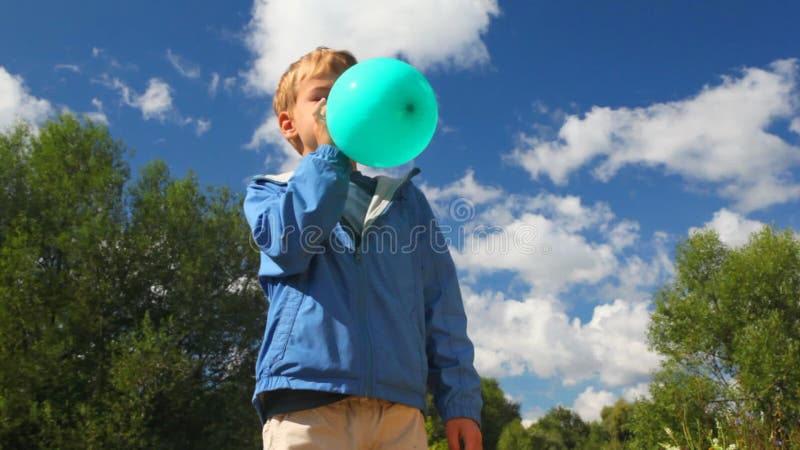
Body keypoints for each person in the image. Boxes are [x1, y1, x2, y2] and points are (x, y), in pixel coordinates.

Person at [243, 47, 483, 450]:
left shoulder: (406, 202)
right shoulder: (270, 192)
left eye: (347, 93)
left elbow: (441, 305)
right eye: (322, 96)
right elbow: (289, 245)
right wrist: (328, 156)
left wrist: (460, 403)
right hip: (307, 403)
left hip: (398, 411)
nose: (339, 105)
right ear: (288, 124)